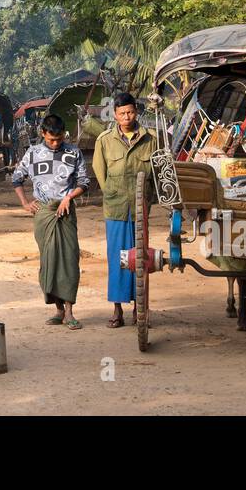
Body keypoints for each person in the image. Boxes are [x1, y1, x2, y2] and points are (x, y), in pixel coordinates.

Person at [12, 113, 86, 329]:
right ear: (42, 133)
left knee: (70, 260)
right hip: (43, 215)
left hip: (66, 212)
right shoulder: (32, 153)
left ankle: (70, 311)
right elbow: (17, 178)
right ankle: (58, 310)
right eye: (51, 139)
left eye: (60, 139)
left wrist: (68, 198)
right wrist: (25, 203)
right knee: (49, 260)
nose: (55, 143)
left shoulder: (73, 152)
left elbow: (84, 182)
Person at [92, 92, 155, 328]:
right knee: (117, 258)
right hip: (116, 209)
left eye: (130, 112)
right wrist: (111, 193)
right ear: (115, 115)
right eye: (121, 113)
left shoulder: (151, 139)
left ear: (136, 112)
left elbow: (158, 174)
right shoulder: (104, 140)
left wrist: (150, 200)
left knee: (142, 257)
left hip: (140, 209)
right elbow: (100, 172)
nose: (126, 116)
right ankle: (117, 309)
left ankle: (140, 308)